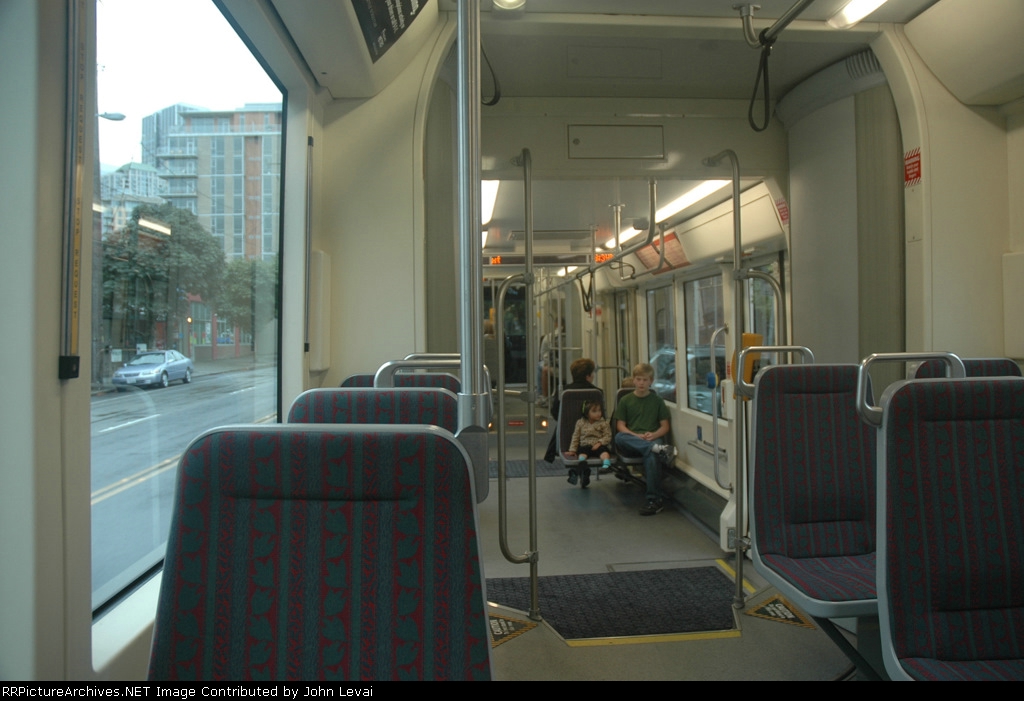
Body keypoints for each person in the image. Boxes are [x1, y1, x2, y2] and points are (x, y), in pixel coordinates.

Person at [613, 362, 676, 516]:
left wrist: (654, 435)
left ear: (651, 381)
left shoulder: (657, 401)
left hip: (652, 438)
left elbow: (664, 427)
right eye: (639, 379)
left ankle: (654, 500)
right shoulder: (625, 400)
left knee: (652, 455)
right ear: (634, 380)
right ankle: (657, 449)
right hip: (632, 439)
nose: (641, 383)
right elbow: (620, 426)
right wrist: (636, 436)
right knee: (620, 437)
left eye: (645, 380)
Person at [543, 357, 600, 463]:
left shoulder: (564, 391)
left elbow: (555, 413)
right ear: (588, 376)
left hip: (567, 437)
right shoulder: (597, 392)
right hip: (592, 437)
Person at [564, 399, 612, 488]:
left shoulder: (603, 423)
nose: (598, 413)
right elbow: (576, 436)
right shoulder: (580, 423)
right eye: (594, 411)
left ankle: (605, 465)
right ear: (586, 414)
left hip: (598, 445)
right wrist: (572, 450)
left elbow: (607, 436)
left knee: (604, 452)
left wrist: (599, 443)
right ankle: (582, 468)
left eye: (599, 410)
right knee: (582, 455)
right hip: (585, 445)